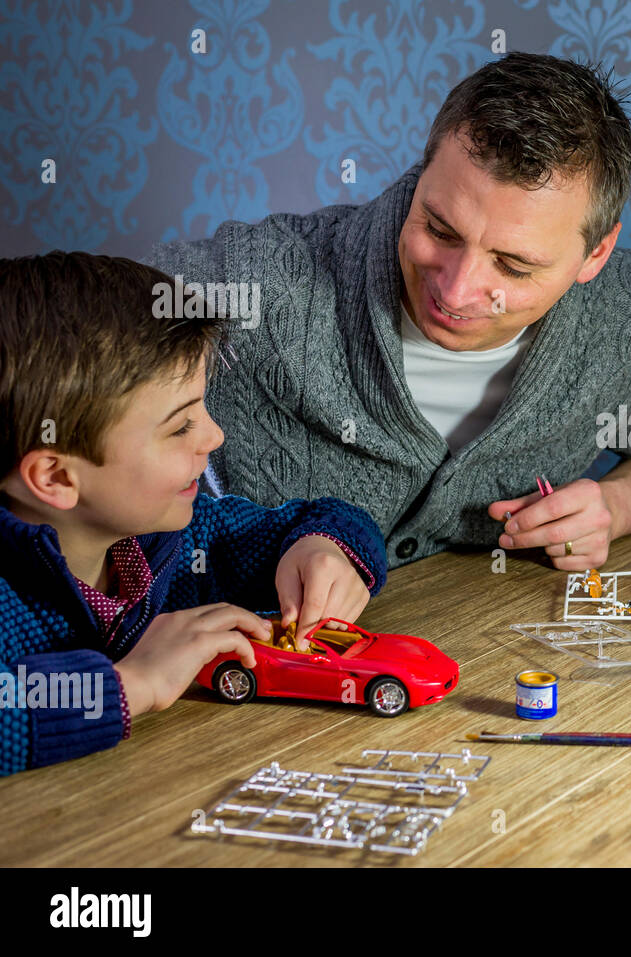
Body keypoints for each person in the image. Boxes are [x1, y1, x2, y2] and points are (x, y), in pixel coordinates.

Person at [145, 52, 631, 573]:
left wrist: (615, 508)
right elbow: (68, 332)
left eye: (513, 264)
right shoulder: (264, 279)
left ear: (595, 253)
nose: (456, 292)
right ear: (422, 175)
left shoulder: (628, 317)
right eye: (439, 229)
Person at [0, 252, 388, 776]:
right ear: (57, 477)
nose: (214, 436)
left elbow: (323, 519)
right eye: (180, 427)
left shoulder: (172, 539)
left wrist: (325, 547)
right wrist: (133, 682)